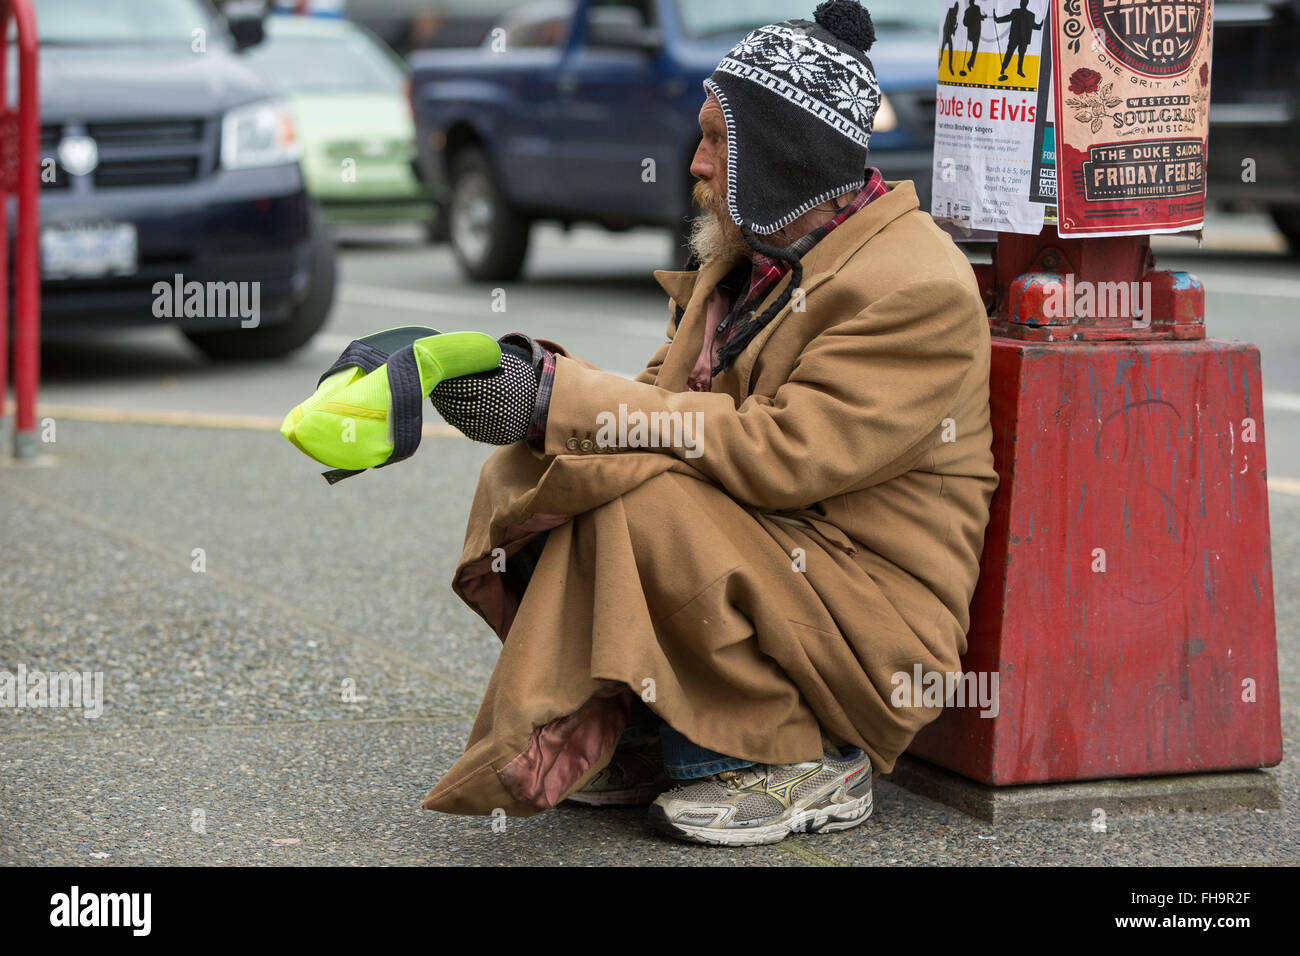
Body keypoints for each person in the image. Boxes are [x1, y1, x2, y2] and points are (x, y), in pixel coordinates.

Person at [421, 0, 997, 847]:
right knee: (539, 471)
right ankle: (653, 724)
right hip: (779, 557)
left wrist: (565, 396)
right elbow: (655, 402)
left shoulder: (917, 287)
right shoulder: (753, 252)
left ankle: (793, 758)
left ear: (784, 154)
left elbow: (783, 456)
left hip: (872, 623)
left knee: (644, 504)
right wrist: (535, 396)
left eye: (718, 142)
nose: (695, 164)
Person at [996, 0, 1043, 81]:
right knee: (1010, 54)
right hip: (1016, 38)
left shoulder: (1030, 15)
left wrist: (1040, 25)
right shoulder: (1019, 12)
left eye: (1023, 2)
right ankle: (1004, 68)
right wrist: (998, 19)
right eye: (1022, 2)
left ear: (1025, 4)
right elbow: (1007, 18)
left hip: (1023, 39)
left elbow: (1034, 26)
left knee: (1019, 55)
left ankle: (1018, 70)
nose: (1022, 3)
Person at [961, 0, 987, 76]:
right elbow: (966, 22)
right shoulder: (974, 8)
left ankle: (970, 63)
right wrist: (982, 17)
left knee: (974, 49)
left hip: (973, 32)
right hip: (975, 32)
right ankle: (970, 63)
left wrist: (982, 17)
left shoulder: (969, 10)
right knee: (975, 48)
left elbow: (966, 22)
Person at [940, 2, 959, 76]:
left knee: (950, 51)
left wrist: (955, 28)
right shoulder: (951, 12)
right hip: (946, 35)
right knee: (942, 50)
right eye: (956, 8)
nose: (957, 10)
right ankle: (941, 61)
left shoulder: (955, 17)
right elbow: (947, 24)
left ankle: (950, 67)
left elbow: (952, 29)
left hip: (949, 35)